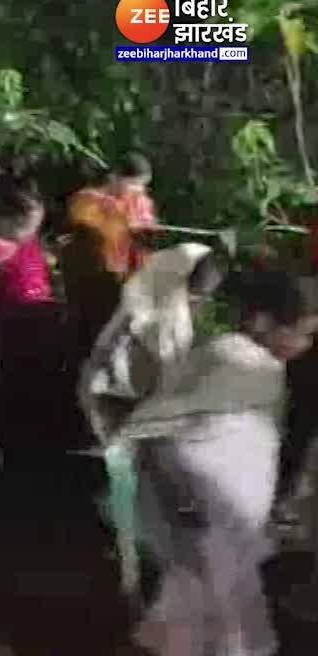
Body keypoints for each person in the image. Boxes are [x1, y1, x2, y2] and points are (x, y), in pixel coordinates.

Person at [113, 269, 318, 656]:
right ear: (262, 321)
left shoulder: (263, 365)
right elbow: (159, 427)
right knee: (216, 604)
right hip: (201, 510)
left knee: (208, 602)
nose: (305, 345)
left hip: (229, 516)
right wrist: (180, 498)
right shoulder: (229, 360)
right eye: (302, 333)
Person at [78, 243, 223, 600]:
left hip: (105, 390)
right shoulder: (171, 320)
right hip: (125, 400)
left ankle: (125, 559)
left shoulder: (147, 288)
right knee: (137, 485)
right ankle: (130, 577)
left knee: (127, 480)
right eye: (202, 296)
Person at [0, 185, 63, 459]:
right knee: (9, 383)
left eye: (34, 227)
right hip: (8, 327)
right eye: (25, 226)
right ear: (3, 220)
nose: (30, 233)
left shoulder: (28, 245)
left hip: (38, 322)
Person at [61, 153, 156, 365]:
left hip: (125, 284)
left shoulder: (139, 203)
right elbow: (89, 221)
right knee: (85, 343)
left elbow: (145, 235)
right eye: (134, 185)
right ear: (115, 177)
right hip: (91, 283)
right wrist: (123, 216)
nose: (139, 192)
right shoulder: (87, 200)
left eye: (142, 187)